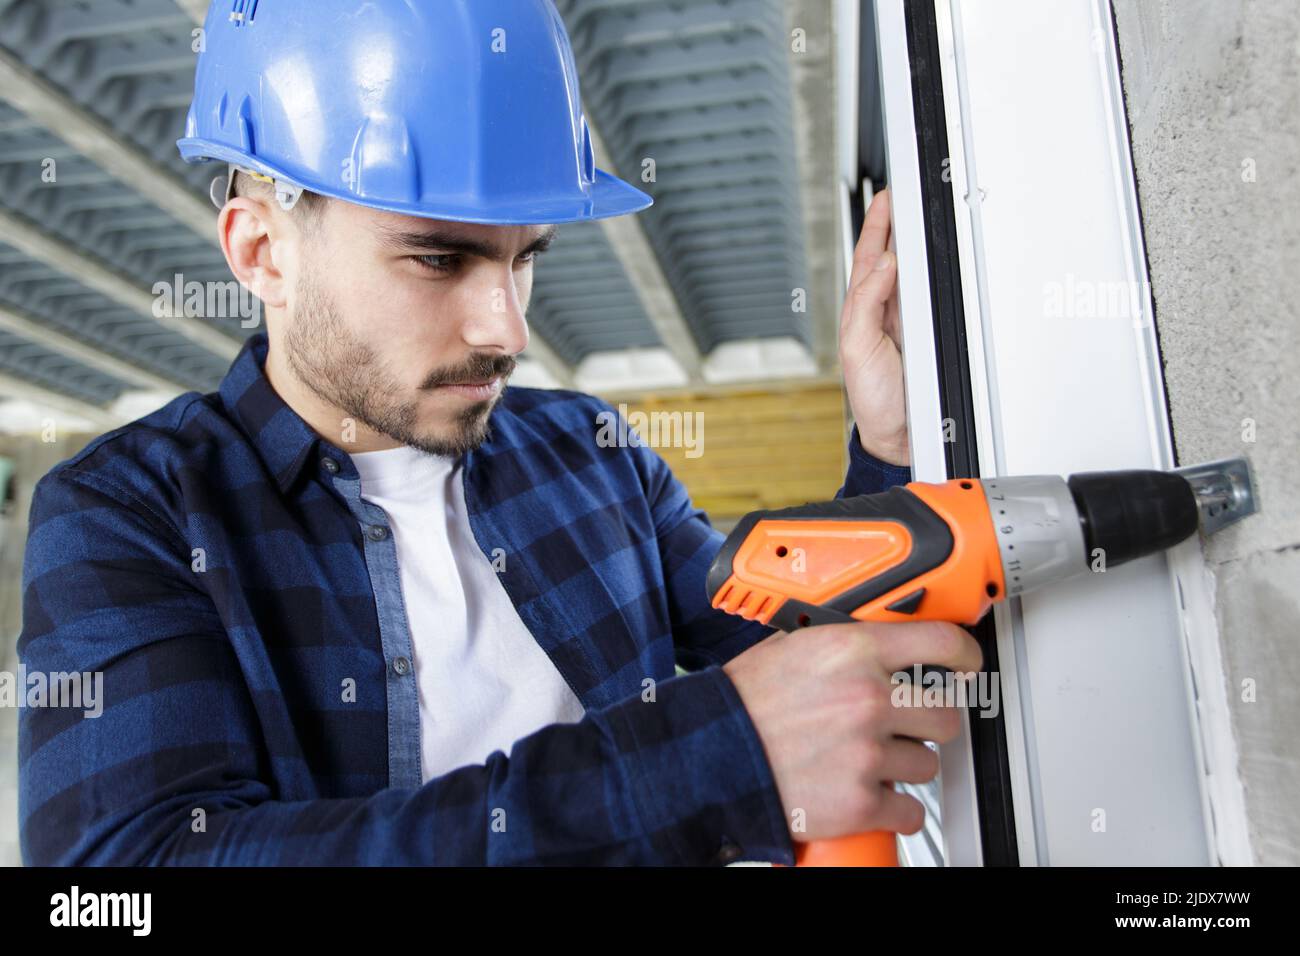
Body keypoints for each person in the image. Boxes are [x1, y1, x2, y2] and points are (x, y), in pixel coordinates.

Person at [16, 0, 980, 865]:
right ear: (262, 250)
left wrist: (889, 444)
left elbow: (807, 654)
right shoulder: (127, 514)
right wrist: (699, 767)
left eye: (526, 260)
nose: (507, 330)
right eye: (439, 259)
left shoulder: (589, 451)